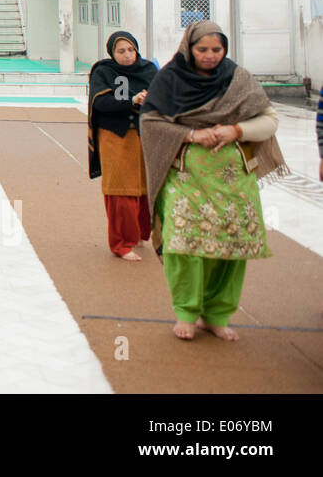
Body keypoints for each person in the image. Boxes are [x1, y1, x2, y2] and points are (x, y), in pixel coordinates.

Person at [140, 20, 288, 342]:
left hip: (234, 185)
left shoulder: (238, 79)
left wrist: (236, 130)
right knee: (183, 245)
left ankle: (217, 314)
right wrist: (191, 134)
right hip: (185, 179)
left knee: (231, 249)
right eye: (202, 49)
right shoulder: (170, 79)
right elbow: (150, 123)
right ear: (188, 48)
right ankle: (186, 312)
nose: (210, 56)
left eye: (217, 49)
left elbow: (269, 120)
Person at [87, 30, 156, 261]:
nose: (128, 55)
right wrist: (131, 100)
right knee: (121, 190)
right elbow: (101, 103)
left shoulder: (148, 70)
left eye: (131, 50)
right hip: (115, 137)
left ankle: (138, 234)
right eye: (121, 51)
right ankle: (121, 244)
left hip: (144, 136)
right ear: (112, 53)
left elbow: (164, 98)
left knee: (145, 187)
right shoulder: (104, 72)